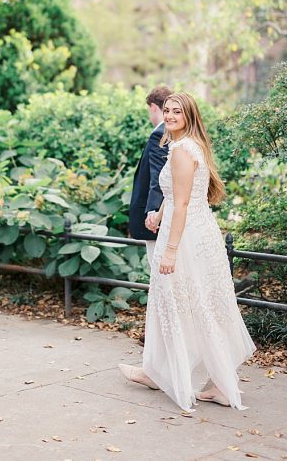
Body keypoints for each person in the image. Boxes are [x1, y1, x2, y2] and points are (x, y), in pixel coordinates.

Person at [120, 91, 255, 410]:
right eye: (166, 110)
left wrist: (169, 251)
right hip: (197, 230)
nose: (169, 115)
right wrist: (157, 214)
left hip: (186, 238)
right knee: (200, 304)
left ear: (189, 115)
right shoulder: (190, 146)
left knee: (181, 305)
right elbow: (180, 196)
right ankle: (196, 378)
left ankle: (167, 373)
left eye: (176, 111)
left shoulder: (181, 150)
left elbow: (182, 202)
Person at [128, 85, 172, 346]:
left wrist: (152, 213)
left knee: (159, 279)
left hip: (155, 221)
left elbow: (157, 180)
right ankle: (158, 334)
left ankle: (158, 337)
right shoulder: (175, 135)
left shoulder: (160, 136)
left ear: (154, 108)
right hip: (164, 217)